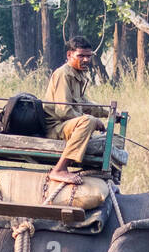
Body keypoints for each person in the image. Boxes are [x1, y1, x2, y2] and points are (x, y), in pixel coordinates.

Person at [42, 36, 109, 186]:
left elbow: (84, 104)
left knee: (113, 139)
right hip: (55, 127)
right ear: (69, 55)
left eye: (88, 56)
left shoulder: (77, 75)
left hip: (67, 126)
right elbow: (63, 111)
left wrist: (108, 113)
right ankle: (59, 169)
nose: (85, 60)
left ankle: (97, 174)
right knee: (88, 121)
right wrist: (91, 121)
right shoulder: (63, 74)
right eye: (81, 56)